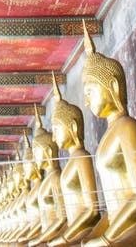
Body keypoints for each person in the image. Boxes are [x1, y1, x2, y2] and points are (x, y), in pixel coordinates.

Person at [81, 23, 136, 247]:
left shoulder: (127, 127)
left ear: (112, 86)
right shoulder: (107, 137)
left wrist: (106, 238)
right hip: (120, 229)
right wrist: (95, 235)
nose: (86, 101)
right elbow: (112, 209)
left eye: (90, 92)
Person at [48, 72, 100, 245]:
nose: (54, 138)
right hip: (78, 229)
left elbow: (93, 209)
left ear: (72, 126)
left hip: (87, 228)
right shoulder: (72, 162)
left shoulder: (81, 158)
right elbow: (63, 217)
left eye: (56, 130)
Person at [27, 103, 66, 245]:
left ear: (48, 152)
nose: (55, 138)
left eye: (36, 153)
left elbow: (63, 217)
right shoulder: (48, 181)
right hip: (50, 234)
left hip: (61, 233)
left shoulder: (55, 178)